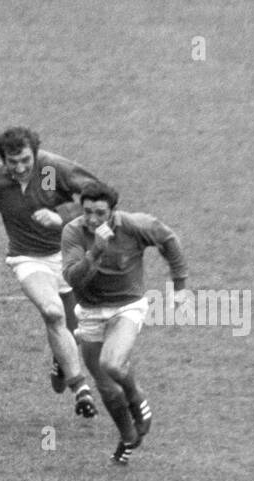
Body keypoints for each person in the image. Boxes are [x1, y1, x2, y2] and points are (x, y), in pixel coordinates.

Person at [0, 126, 100, 416]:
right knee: (52, 312)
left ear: (36, 153)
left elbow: (98, 197)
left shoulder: (50, 171)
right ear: (2, 159)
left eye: (26, 161)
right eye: (12, 162)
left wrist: (61, 216)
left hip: (72, 255)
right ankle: (81, 389)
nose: (20, 168)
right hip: (29, 258)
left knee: (79, 331)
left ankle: (62, 359)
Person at [61, 182, 188, 465]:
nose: (93, 219)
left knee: (113, 364)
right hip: (91, 312)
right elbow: (72, 278)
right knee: (106, 387)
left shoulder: (134, 225)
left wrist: (179, 286)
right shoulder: (73, 232)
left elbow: (168, 240)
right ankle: (128, 437)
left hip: (127, 307)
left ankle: (137, 400)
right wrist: (95, 251)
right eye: (88, 212)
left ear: (113, 212)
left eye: (100, 213)